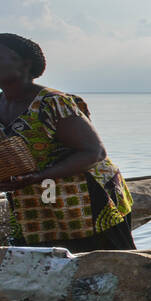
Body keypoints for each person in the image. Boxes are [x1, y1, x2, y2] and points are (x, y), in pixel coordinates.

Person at [0, 35, 135, 251]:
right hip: (36, 198)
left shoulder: (52, 102)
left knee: (101, 265)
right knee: (44, 265)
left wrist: (37, 177)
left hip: (86, 197)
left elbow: (93, 152)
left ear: (25, 63)